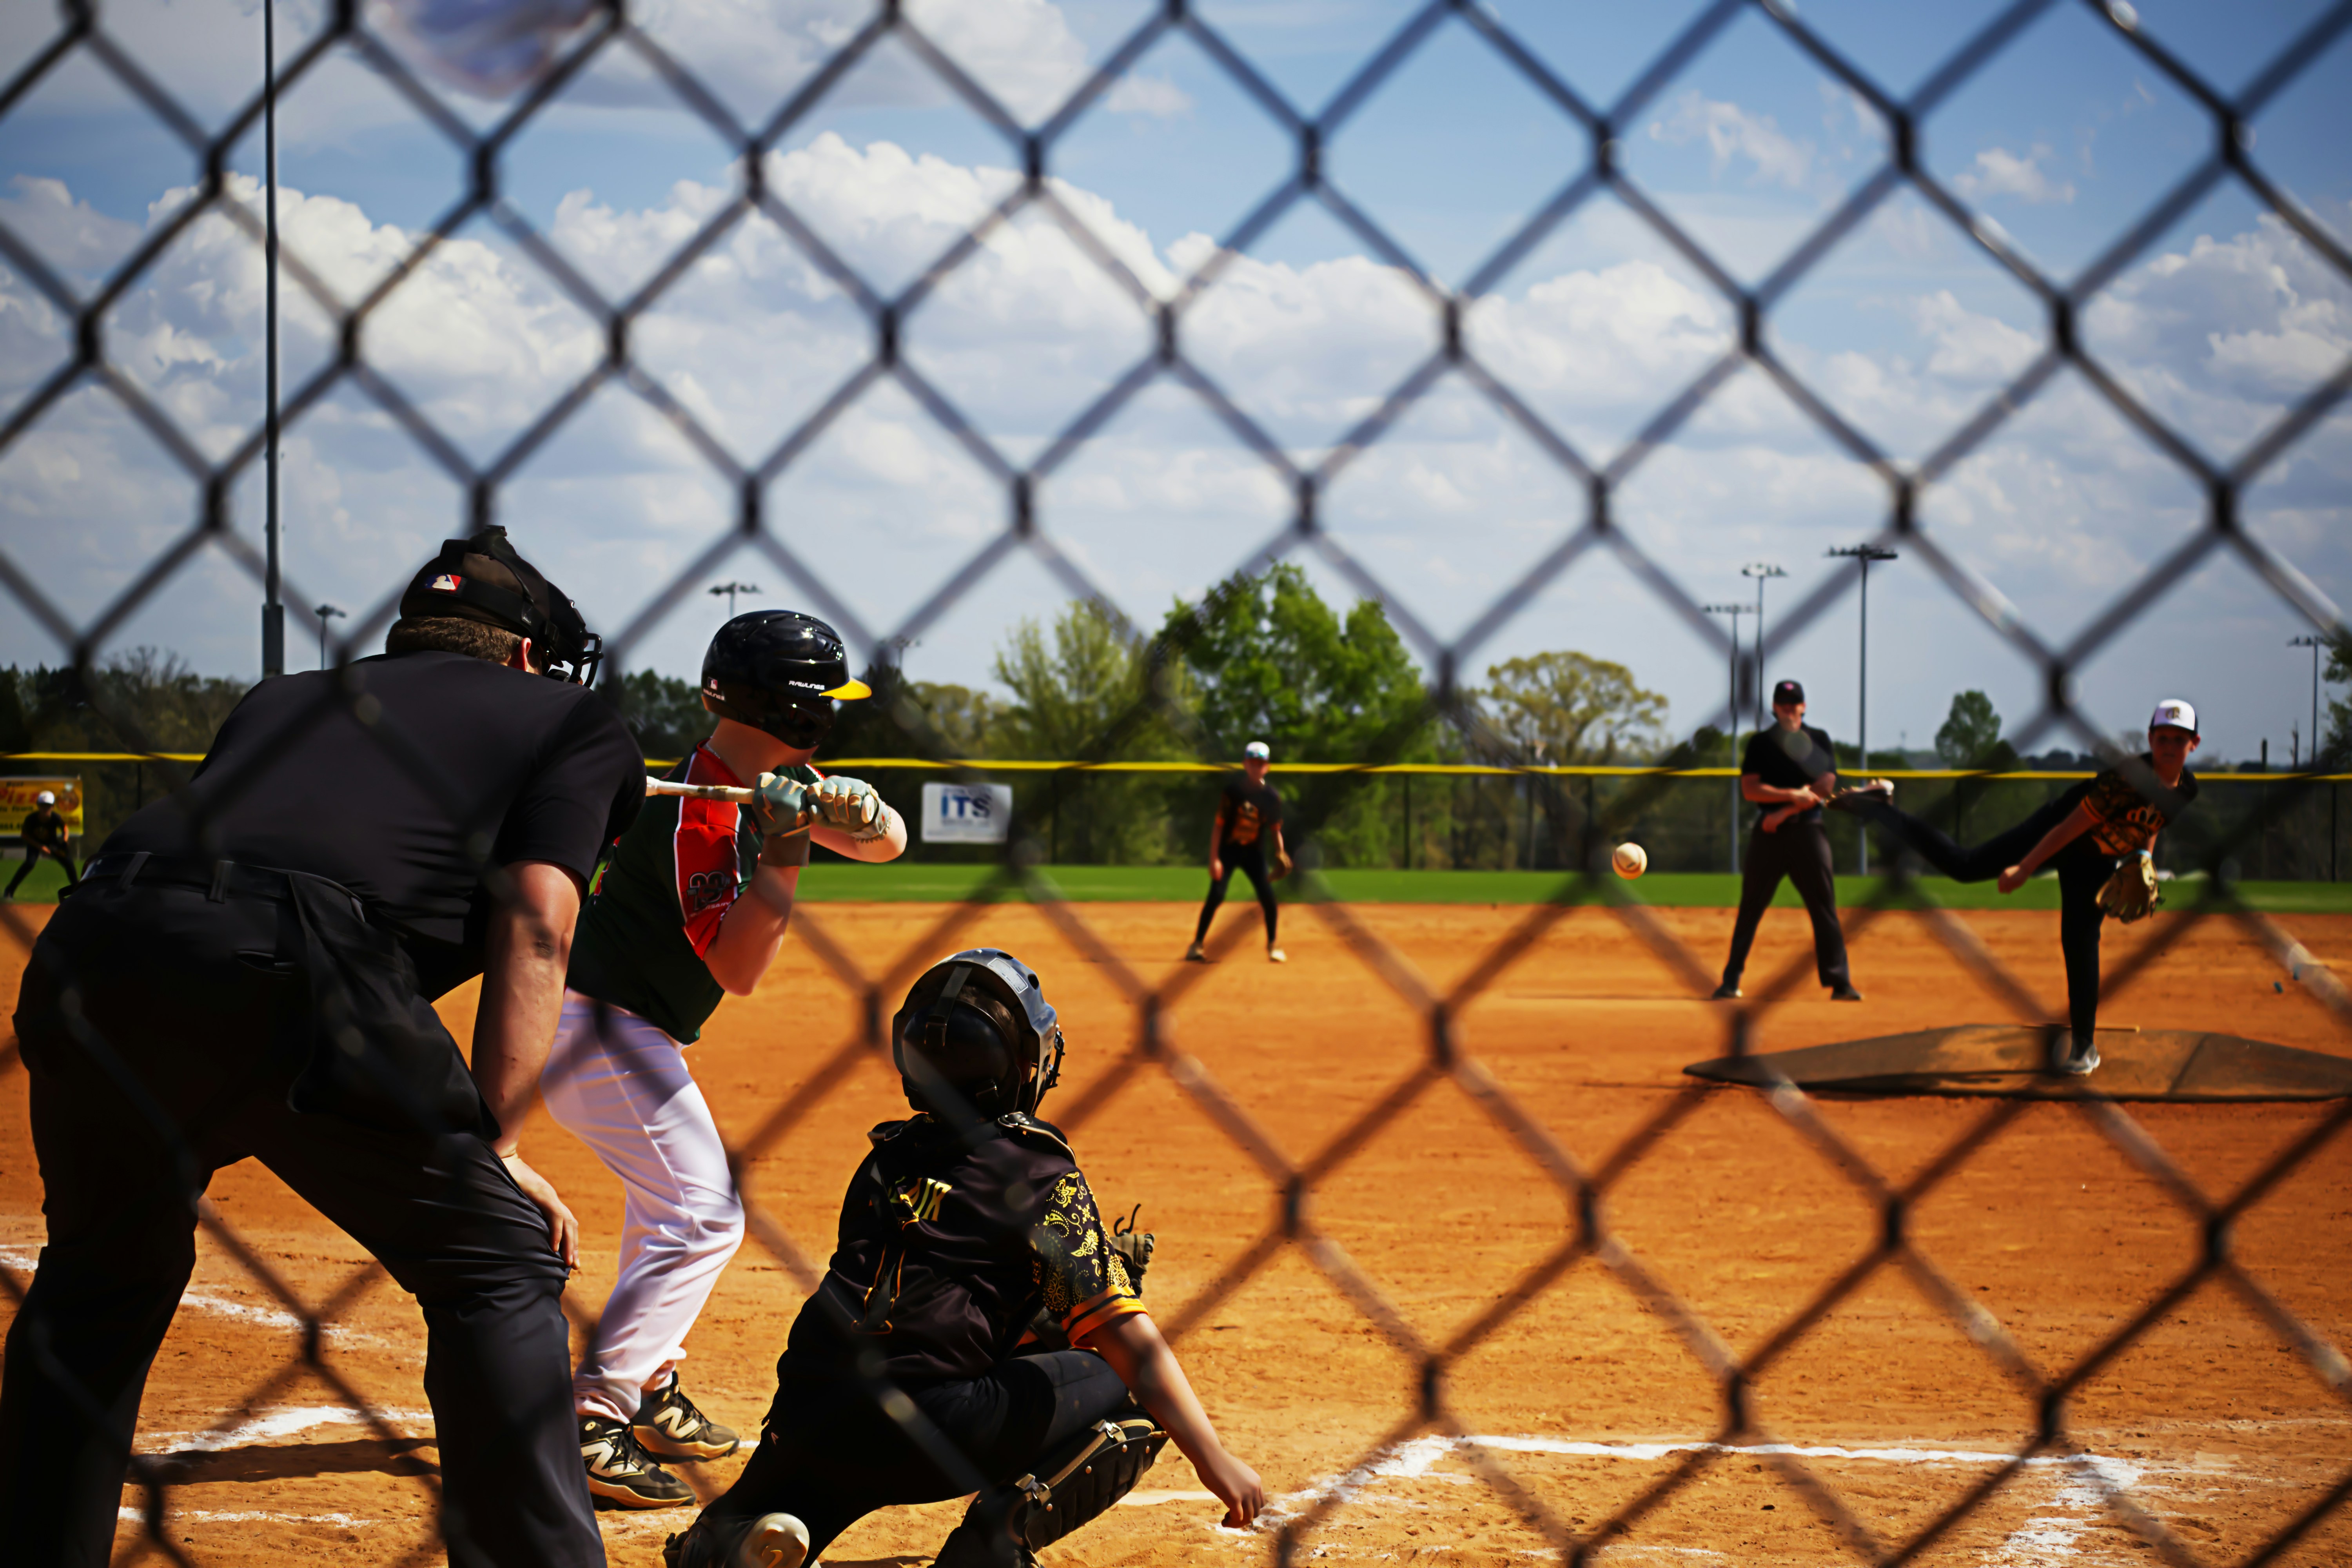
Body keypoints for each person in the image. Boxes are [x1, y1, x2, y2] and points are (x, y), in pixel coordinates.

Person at [2, 527, 641, 1568]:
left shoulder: (284, 696)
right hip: (295, 962)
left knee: (102, 1273)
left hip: (92, 949)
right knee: (495, 1266)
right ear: (526, 654)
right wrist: (504, 1147)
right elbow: (538, 918)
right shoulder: (574, 717)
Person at [661, 949, 1263, 1568]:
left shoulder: (884, 1159)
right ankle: (991, 1545)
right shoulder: (1037, 1171)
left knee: (774, 1502)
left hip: (808, 1411)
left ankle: (736, 1531)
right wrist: (1212, 1455)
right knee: (1135, 1387)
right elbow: (1126, 1339)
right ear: (1020, 1067)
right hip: (933, 1429)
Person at [548, 610, 909, 1508]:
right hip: (593, 1026)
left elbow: (887, 842)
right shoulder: (701, 815)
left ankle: (653, 1389)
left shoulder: (764, 780)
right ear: (795, 710)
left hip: (624, 1023)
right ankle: (593, 1416)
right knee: (704, 1213)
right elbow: (739, 970)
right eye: (825, 702)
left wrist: (866, 809)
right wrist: (785, 854)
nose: (833, 714)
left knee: (665, 1200)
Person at [1834, 699, 2203, 1076]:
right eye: (2163, 738)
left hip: (2095, 861)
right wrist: (2025, 868)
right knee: (1964, 866)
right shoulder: (2126, 780)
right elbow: (2068, 829)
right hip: (2056, 834)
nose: (2170, 747)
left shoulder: (2186, 789)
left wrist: (2144, 859)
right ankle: (1880, 807)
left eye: (2179, 739)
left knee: (2081, 941)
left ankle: (2084, 1047)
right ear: (2150, 738)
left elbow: (2152, 822)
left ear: (2195, 743)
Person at [1713, 681, 1861, 1003]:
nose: (1789, 708)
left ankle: (1840, 983)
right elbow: (1751, 789)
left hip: (1808, 830)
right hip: (1768, 835)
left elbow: (1825, 785)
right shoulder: (1762, 743)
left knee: (1824, 907)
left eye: (1794, 703)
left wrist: (1785, 811)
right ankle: (1731, 980)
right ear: (1775, 707)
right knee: (1751, 908)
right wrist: (1791, 796)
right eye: (1783, 703)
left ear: (1804, 707)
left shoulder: (1818, 739)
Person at [1185, 740, 1290, 964]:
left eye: (1260, 764)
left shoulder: (1272, 798)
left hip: (1254, 854)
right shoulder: (1232, 792)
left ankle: (1273, 945)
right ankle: (1197, 945)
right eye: (1252, 763)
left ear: (1267, 767)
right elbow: (1219, 825)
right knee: (1217, 895)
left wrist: (1281, 853)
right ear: (1245, 764)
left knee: (1268, 898)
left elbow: (1275, 829)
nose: (1256, 767)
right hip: (1229, 851)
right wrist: (1214, 859)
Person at [5, 788, 78, 898]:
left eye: (48, 806)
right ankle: (9, 891)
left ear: (53, 807)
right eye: (43, 806)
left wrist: (65, 840)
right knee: (30, 864)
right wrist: (40, 847)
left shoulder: (56, 818)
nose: (45, 809)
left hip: (52, 844)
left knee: (68, 863)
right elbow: (25, 835)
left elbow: (65, 829)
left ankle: (77, 891)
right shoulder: (31, 819)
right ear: (39, 806)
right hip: (35, 843)